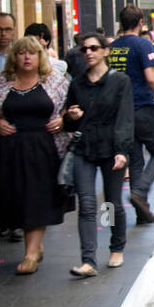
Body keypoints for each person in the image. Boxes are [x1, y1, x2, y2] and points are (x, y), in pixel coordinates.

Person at [0, 36, 70, 275]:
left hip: (44, 148)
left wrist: (63, 120)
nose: (26, 57)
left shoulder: (55, 81)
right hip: (9, 149)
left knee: (37, 198)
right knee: (15, 198)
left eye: (31, 53)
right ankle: (35, 245)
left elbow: (71, 108)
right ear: (14, 56)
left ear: (40, 56)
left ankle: (31, 253)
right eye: (21, 53)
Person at [62, 34, 133, 277]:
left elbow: (125, 118)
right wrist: (70, 117)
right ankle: (88, 260)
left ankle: (116, 247)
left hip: (111, 147)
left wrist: (122, 150)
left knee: (111, 202)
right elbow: (69, 121)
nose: (89, 53)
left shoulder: (119, 81)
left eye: (94, 48)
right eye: (84, 49)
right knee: (87, 204)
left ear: (105, 51)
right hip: (85, 147)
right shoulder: (77, 83)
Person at [108, 5, 154, 225]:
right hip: (142, 106)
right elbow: (152, 78)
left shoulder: (113, 47)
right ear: (139, 23)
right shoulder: (142, 44)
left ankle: (141, 211)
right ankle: (141, 191)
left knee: (135, 159)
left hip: (121, 113)